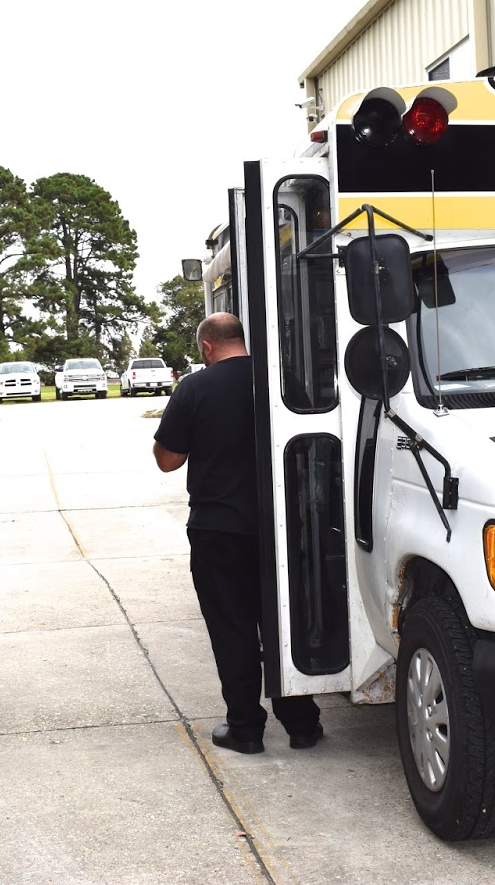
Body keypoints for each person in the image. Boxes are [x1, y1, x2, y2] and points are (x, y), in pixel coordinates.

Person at [152, 313, 321, 754]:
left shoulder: (194, 387)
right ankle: (302, 722)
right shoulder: (282, 382)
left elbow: (167, 460)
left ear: (207, 346)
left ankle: (246, 727)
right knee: (285, 620)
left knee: (233, 628)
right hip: (283, 525)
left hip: (218, 528)